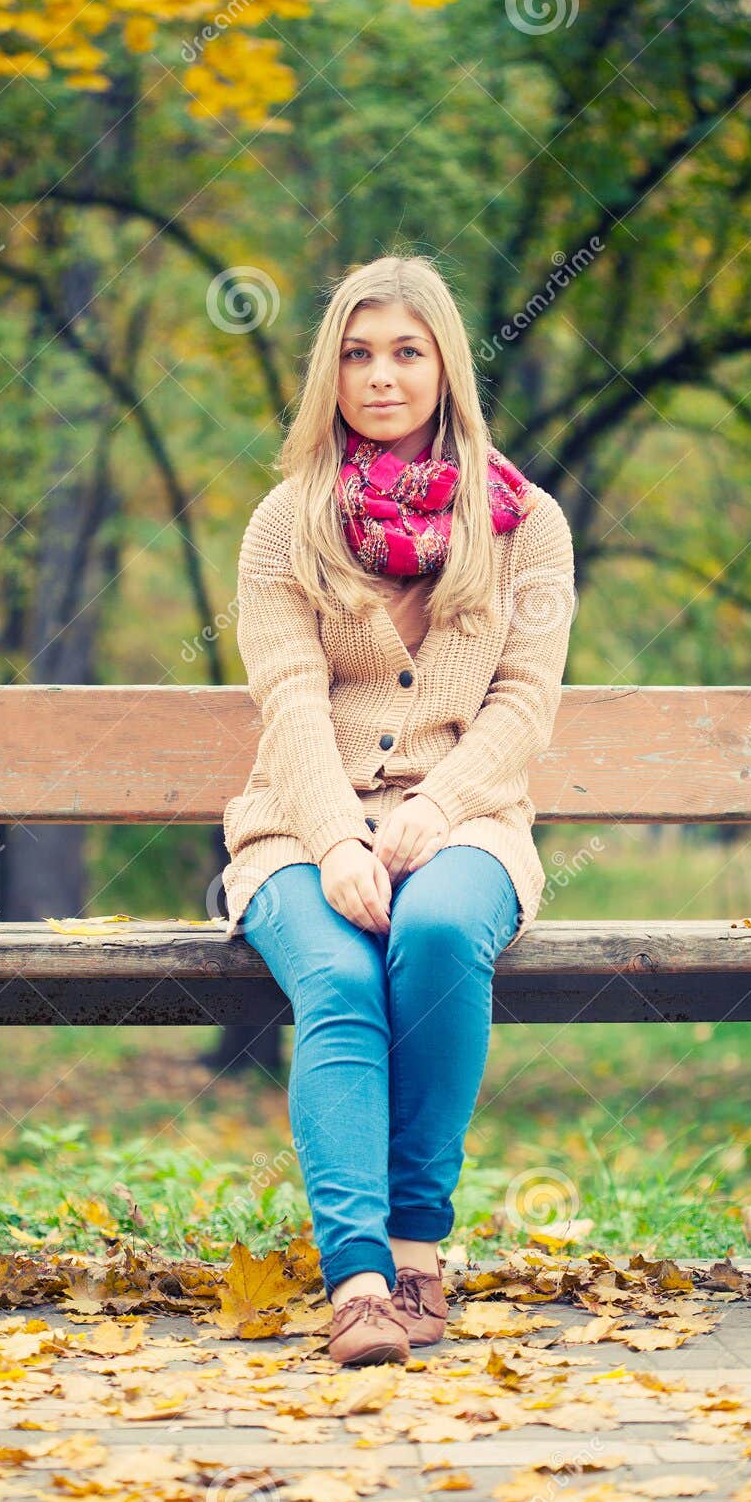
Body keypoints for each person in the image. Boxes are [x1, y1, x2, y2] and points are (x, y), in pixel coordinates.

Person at [219, 253, 576, 1366]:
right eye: (358, 355)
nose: (381, 377)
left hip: (468, 823)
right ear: (331, 371)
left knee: (432, 930)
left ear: (444, 368)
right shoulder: (285, 525)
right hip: (294, 821)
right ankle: (361, 1283)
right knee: (333, 976)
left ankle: (419, 1247)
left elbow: (522, 705)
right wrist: (333, 839)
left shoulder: (527, 525)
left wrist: (436, 807)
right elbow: (286, 700)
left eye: (405, 352)